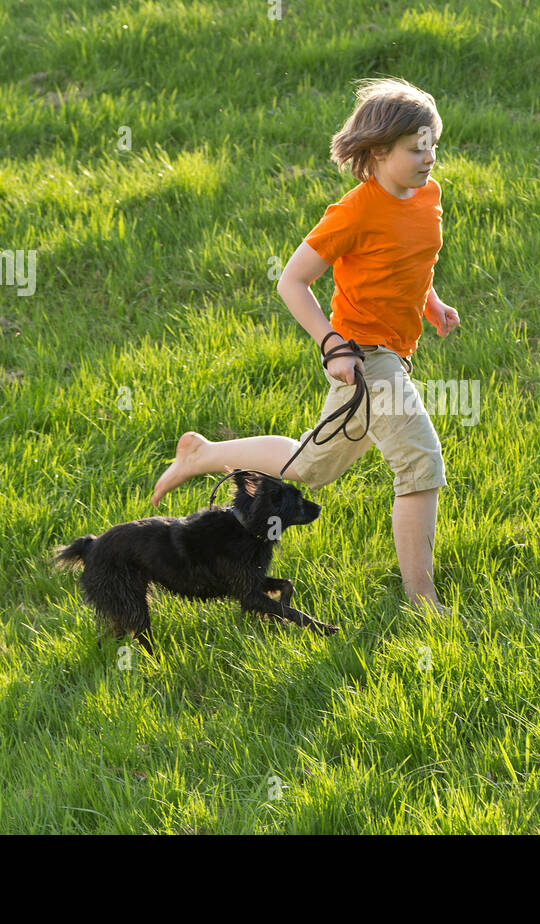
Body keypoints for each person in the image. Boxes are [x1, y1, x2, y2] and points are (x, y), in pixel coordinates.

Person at [151, 76, 460, 616]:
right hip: (366, 359)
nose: (428, 156)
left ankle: (203, 454)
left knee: (311, 467)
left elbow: (409, 260)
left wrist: (430, 303)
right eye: (416, 148)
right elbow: (292, 282)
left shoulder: (427, 195)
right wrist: (332, 344)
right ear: (377, 152)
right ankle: (423, 602)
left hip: (394, 353)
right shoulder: (354, 212)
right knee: (420, 463)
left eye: (432, 143)